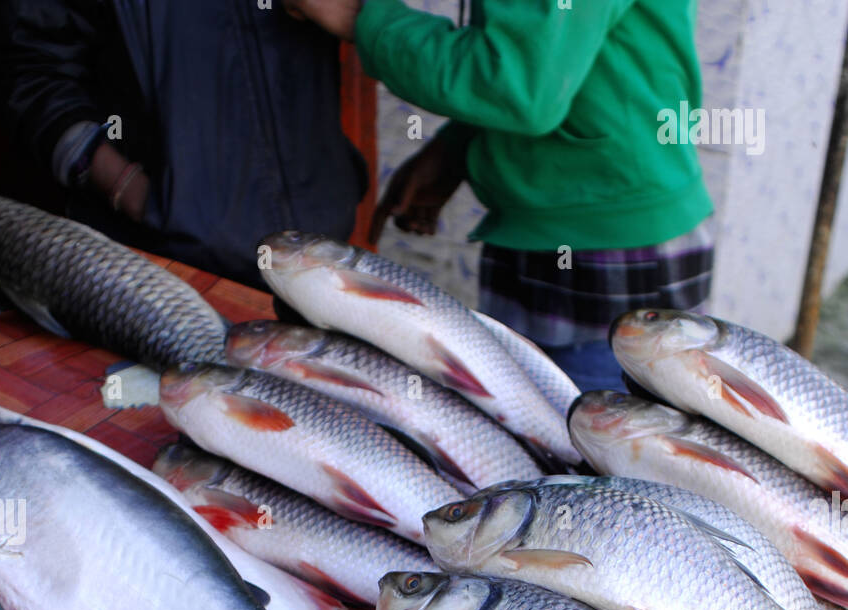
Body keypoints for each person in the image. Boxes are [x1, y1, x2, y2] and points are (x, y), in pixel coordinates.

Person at [285, 0, 714, 393]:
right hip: (583, 218)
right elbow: (567, 58)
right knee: (541, 432)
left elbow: (522, 86)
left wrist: (363, 18)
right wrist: (458, 149)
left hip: (602, 240)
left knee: (577, 456)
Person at [0, 0, 368, 289]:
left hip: (321, 261)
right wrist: (129, 190)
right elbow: (29, 71)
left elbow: (378, 27)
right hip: (158, 269)